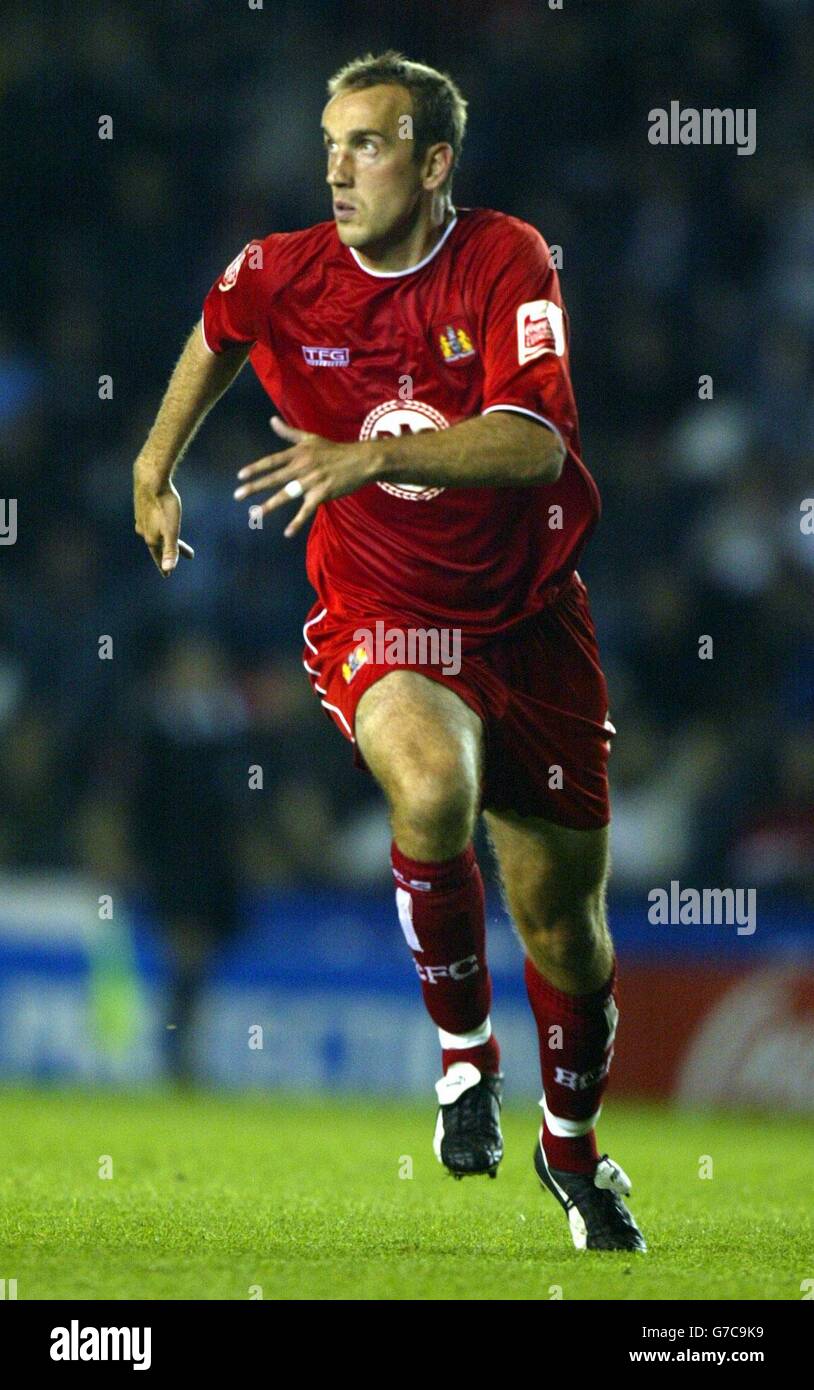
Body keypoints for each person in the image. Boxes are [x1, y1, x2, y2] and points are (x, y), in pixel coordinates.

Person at [133, 51, 645, 1251]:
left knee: (564, 925)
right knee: (431, 785)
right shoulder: (282, 270)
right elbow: (215, 334)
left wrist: (372, 456)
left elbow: (531, 446)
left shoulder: (504, 259)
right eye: (331, 145)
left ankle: (572, 1150)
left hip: (529, 623)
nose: (341, 168)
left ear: (432, 163)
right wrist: (155, 465)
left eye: (368, 145)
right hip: (382, 616)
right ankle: (464, 1061)